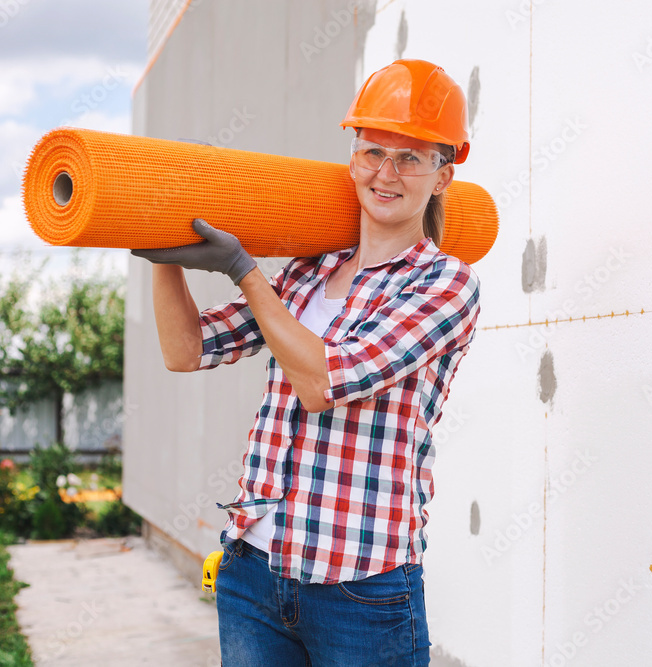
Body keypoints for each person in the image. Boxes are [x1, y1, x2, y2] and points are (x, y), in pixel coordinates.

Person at [132, 59, 480, 666]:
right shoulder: (308, 270)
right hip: (254, 573)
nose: (386, 173)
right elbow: (185, 350)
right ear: (352, 157)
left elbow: (324, 380)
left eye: (410, 159)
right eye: (373, 152)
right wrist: (166, 251)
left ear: (443, 175)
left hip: (359, 587)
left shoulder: (445, 284)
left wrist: (244, 273)